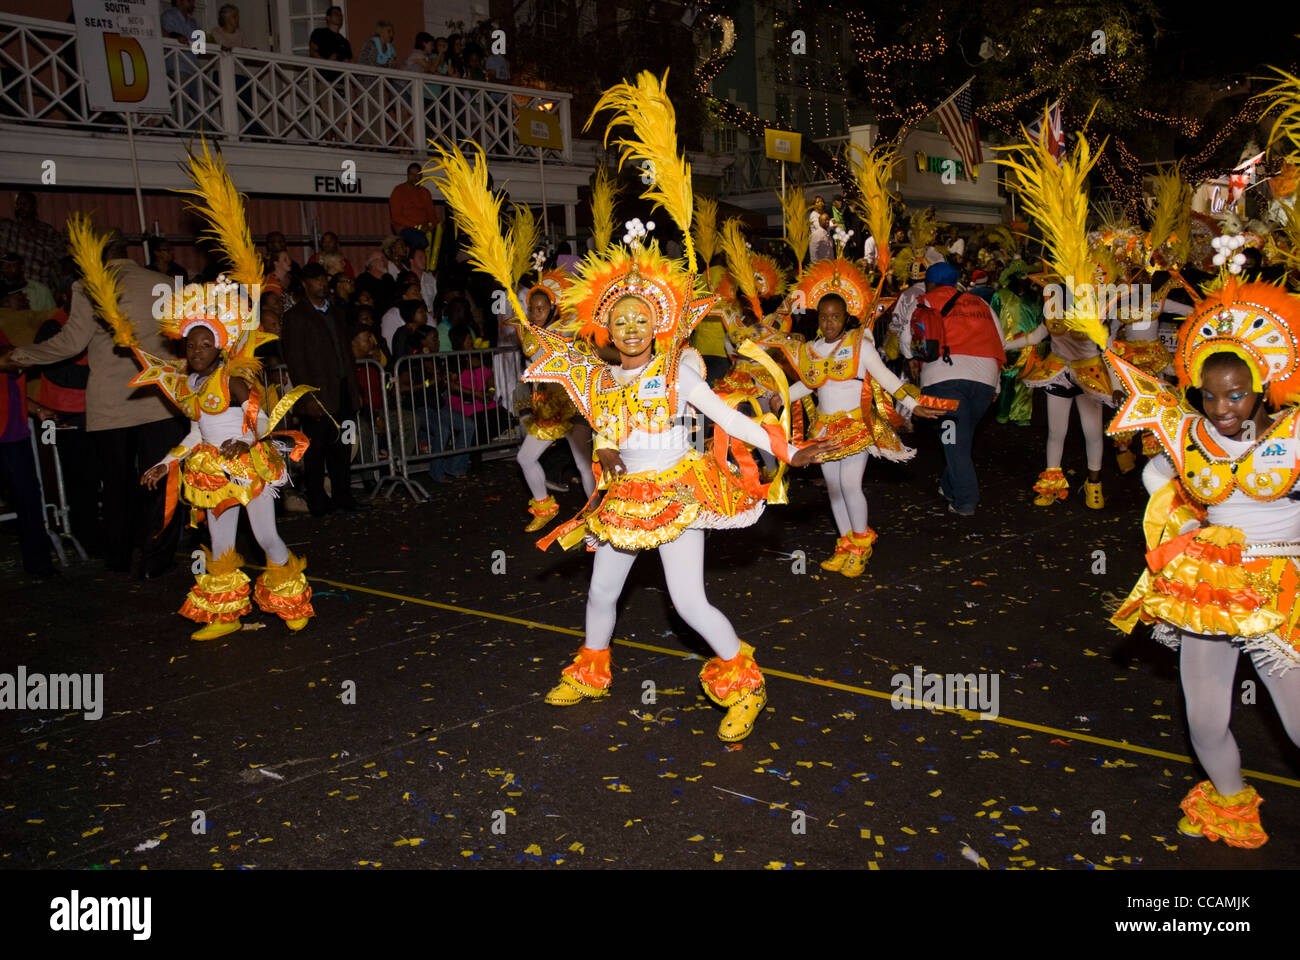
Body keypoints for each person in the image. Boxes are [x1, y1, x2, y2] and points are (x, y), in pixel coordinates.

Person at [1107, 278, 1300, 849]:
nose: (1223, 409)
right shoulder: (1189, 434)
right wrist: (1187, 523)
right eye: (1211, 396)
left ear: (1262, 387)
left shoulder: (1294, 435)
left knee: (1296, 721)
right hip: (1207, 589)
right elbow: (1156, 476)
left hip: (1277, 588)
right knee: (1205, 718)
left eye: (1236, 394)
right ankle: (1233, 806)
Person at [1, 227, 188, 578]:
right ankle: (155, 560)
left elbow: (70, 344)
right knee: (161, 481)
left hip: (110, 403)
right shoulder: (164, 281)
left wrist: (21, 355)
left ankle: (118, 557)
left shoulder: (88, 286)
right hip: (159, 397)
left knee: (116, 484)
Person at [761, 261, 948, 575]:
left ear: (846, 317)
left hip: (855, 426)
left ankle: (861, 544)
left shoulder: (860, 346)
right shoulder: (813, 349)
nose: (830, 322)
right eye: (824, 316)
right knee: (833, 488)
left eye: (835, 316)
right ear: (818, 319)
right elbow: (808, 382)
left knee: (849, 484)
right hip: (824, 427)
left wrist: (914, 404)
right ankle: (846, 544)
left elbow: (888, 380)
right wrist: (782, 395)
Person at [904, 261, 1006, 516]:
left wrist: (913, 362)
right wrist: (997, 384)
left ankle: (965, 501)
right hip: (984, 383)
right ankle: (949, 486)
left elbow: (907, 343)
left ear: (930, 283)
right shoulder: (980, 304)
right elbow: (1000, 341)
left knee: (955, 444)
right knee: (961, 440)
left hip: (943, 382)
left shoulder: (925, 302)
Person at [512, 280, 596, 531]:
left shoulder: (566, 331)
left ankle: (596, 514)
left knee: (583, 463)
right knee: (525, 458)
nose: (536, 313)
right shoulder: (528, 331)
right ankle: (543, 507)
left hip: (572, 405)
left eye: (541, 308)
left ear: (552, 308)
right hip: (547, 409)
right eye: (532, 309)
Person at [281, 262, 360, 515]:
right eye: (316, 280)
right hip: (317, 394)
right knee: (316, 450)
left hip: (342, 389)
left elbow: (346, 353)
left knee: (342, 446)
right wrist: (307, 398)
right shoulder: (295, 316)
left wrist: (354, 389)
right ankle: (317, 499)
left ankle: (343, 496)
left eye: (324, 279)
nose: (322, 284)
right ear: (304, 284)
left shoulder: (336, 312)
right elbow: (296, 361)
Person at [0, 328, 54, 578]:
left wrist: (35, 409)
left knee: (30, 498)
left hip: (14, 432)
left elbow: (8, 386)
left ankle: (39, 564)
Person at [0, 192, 66, 289]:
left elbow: (62, 259)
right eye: (18, 204)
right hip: (12, 287)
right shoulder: (8, 227)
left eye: (25, 203)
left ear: (34, 206)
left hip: (40, 285)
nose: (21, 207)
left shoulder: (47, 231)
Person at [389, 163, 440, 253]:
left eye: (418, 175)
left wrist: (436, 225)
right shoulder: (399, 190)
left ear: (421, 176)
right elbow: (396, 217)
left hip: (423, 228)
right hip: (406, 229)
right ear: (408, 175)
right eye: (412, 175)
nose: (415, 177)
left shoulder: (425, 192)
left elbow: (431, 214)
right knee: (420, 241)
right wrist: (417, 226)